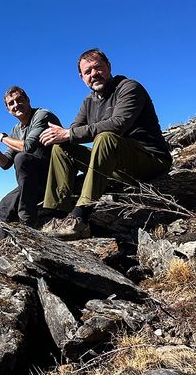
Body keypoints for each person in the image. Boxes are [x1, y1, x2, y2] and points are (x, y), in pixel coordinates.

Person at [38, 48, 172, 239]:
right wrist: (58, 135)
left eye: (97, 67)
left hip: (150, 160)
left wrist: (68, 133)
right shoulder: (88, 102)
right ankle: (56, 214)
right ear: (81, 77)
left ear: (108, 67)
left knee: (105, 137)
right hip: (116, 166)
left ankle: (80, 218)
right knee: (62, 147)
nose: (93, 74)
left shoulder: (129, 88)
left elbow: (118, 124)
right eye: (87, 72)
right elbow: (74, 131)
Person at [0, 86, 61, 228]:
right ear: (7, 109)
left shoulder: (42, 116)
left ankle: (27, 220)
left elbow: (27, 147)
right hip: (31, 182)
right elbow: (5, 163)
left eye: (19, 100)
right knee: (3, 209)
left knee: (22, 158)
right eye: (11, 103)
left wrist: (0, 136)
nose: (16, 105)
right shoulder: (16, 130)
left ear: (28, 100)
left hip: (54, 176)